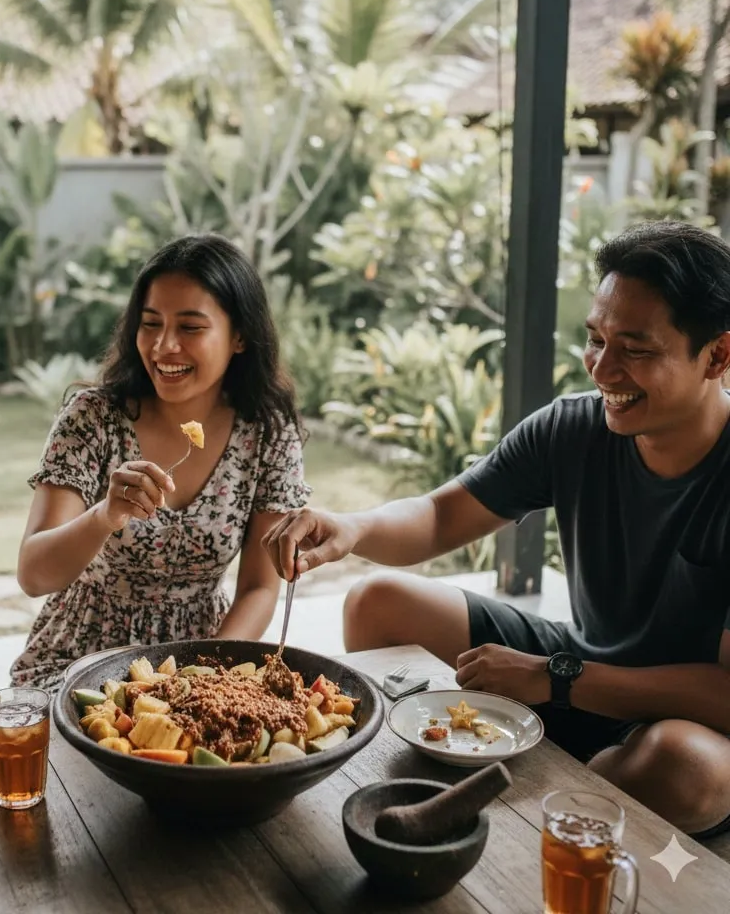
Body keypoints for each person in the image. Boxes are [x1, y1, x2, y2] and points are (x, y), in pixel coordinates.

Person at [262, 220, 730, 839]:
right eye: (596, 340)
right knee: (379, 602)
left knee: (688, 769)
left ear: (718, 354)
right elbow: (440, 516)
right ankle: (546, 794)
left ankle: (519, 817)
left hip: (681, 720)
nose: (603, 369)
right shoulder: (574, 430)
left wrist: (556, 681)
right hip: (578, 666)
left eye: (636, 350)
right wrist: (350, 527)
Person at [10, 234, 310, 691]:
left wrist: (208, 677)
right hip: (80, 663)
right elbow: (33, 575)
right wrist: (105, 515)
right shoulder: (93, 418)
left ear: (240, 337)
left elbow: (259, 588)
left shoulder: (268, 432)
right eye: (151, 324)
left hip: (205, 657)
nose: (164, 346)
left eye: (190, 327)